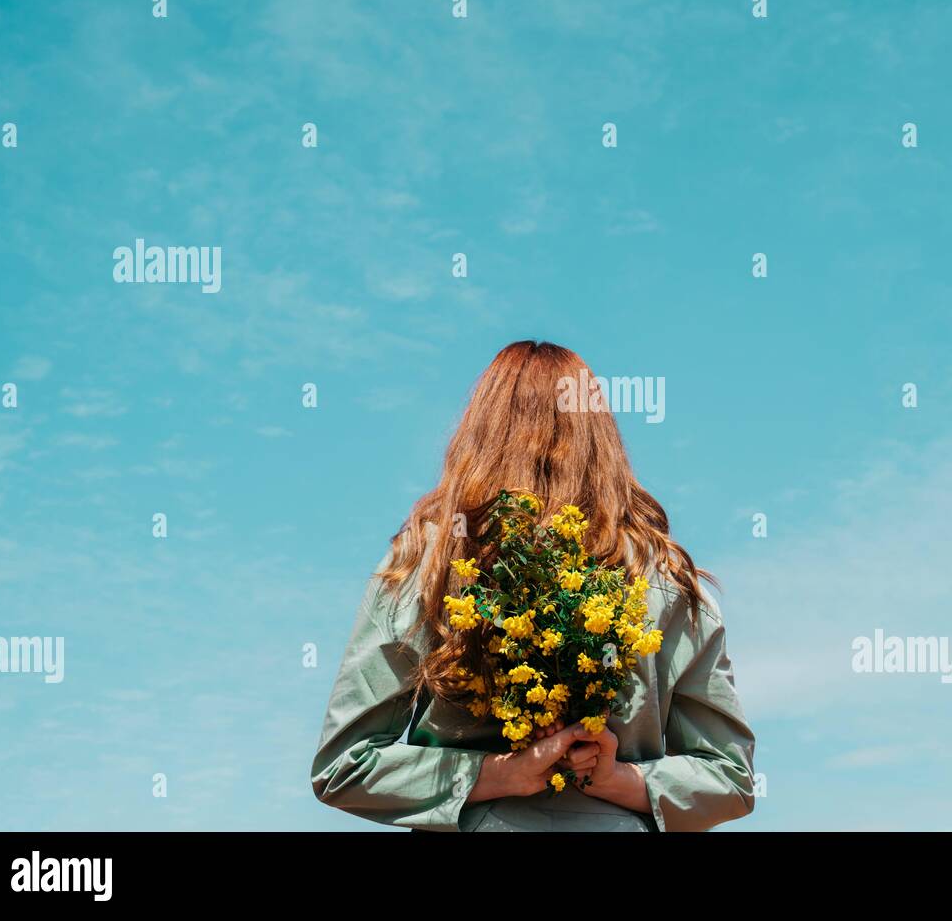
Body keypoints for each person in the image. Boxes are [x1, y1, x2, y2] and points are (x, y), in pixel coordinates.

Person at [311, 340, 756, 831]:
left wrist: (499, 776)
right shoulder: (665, 574)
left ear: (479, 429)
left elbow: (345, 766)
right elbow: (729, 778)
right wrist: (611, 778)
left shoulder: (429, 558)